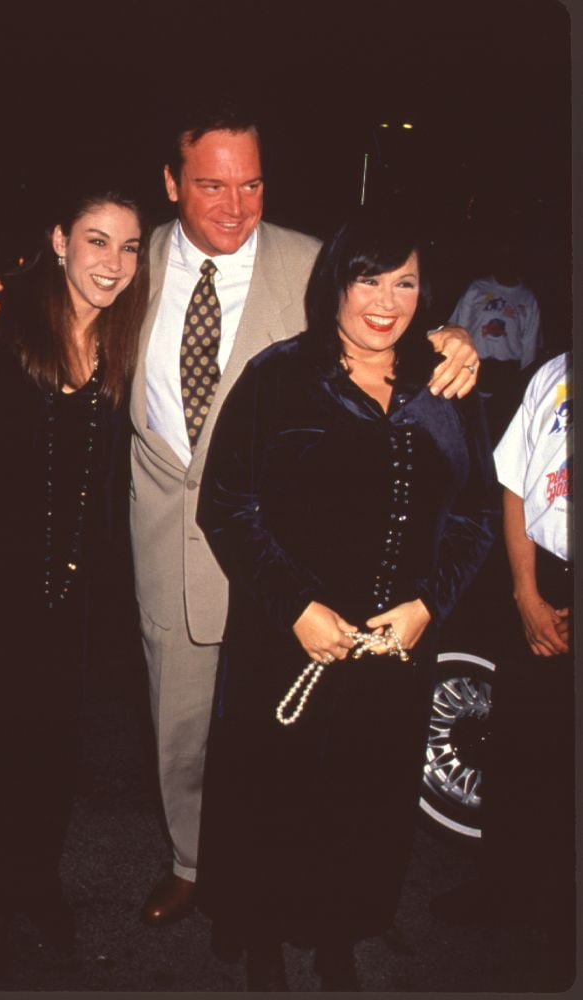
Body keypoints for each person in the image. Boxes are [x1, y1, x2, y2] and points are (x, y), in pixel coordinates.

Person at [0, 101, 481, 928]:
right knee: (181, 724)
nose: (235, 206)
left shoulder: (312, 262)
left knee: (287, 727)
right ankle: (194, 861)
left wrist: (452, 335)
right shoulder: (135, 260)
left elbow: (386, 315)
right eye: (210, 186)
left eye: (253, 184)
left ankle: (280, 876)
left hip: (291, 548)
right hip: (165, 535)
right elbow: (49, 296)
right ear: (171, 184)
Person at [195, 209, 500, 991]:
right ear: (334, 281)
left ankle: (337, 937)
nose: (386, 300)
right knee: (273, 796)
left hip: (392, 654)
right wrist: (296, 606)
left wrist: (428, 607)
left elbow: (473, 513)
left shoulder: (448, 384)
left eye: (405, 281)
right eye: (368, 278)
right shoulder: (279, 376)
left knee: (362, 804)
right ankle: (261, 939)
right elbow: (226, 505)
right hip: (284, 641)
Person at [0, 189, 149, 986]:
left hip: (72, 596)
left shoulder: (124, 335)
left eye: (128, 247)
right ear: (57, 240)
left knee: (50, 749)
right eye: (96, 241)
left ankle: (30, 885)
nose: (112, 264)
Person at [430, 352, 574, 988]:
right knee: (517, 746)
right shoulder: (556, 372)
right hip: (541, 577)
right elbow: (512, 483)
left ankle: (564, 931)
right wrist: (525, 593)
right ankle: (500, 888)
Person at [448, 230, 541, 440]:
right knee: (466, 432)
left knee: (497, 433)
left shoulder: (527, 298)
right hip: (474, 367)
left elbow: (529, 345)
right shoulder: (477, 288)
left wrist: (519, 382)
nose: (506, 260)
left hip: (506, 374)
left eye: (512, 256)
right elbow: (457, 327)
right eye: (502, 255)